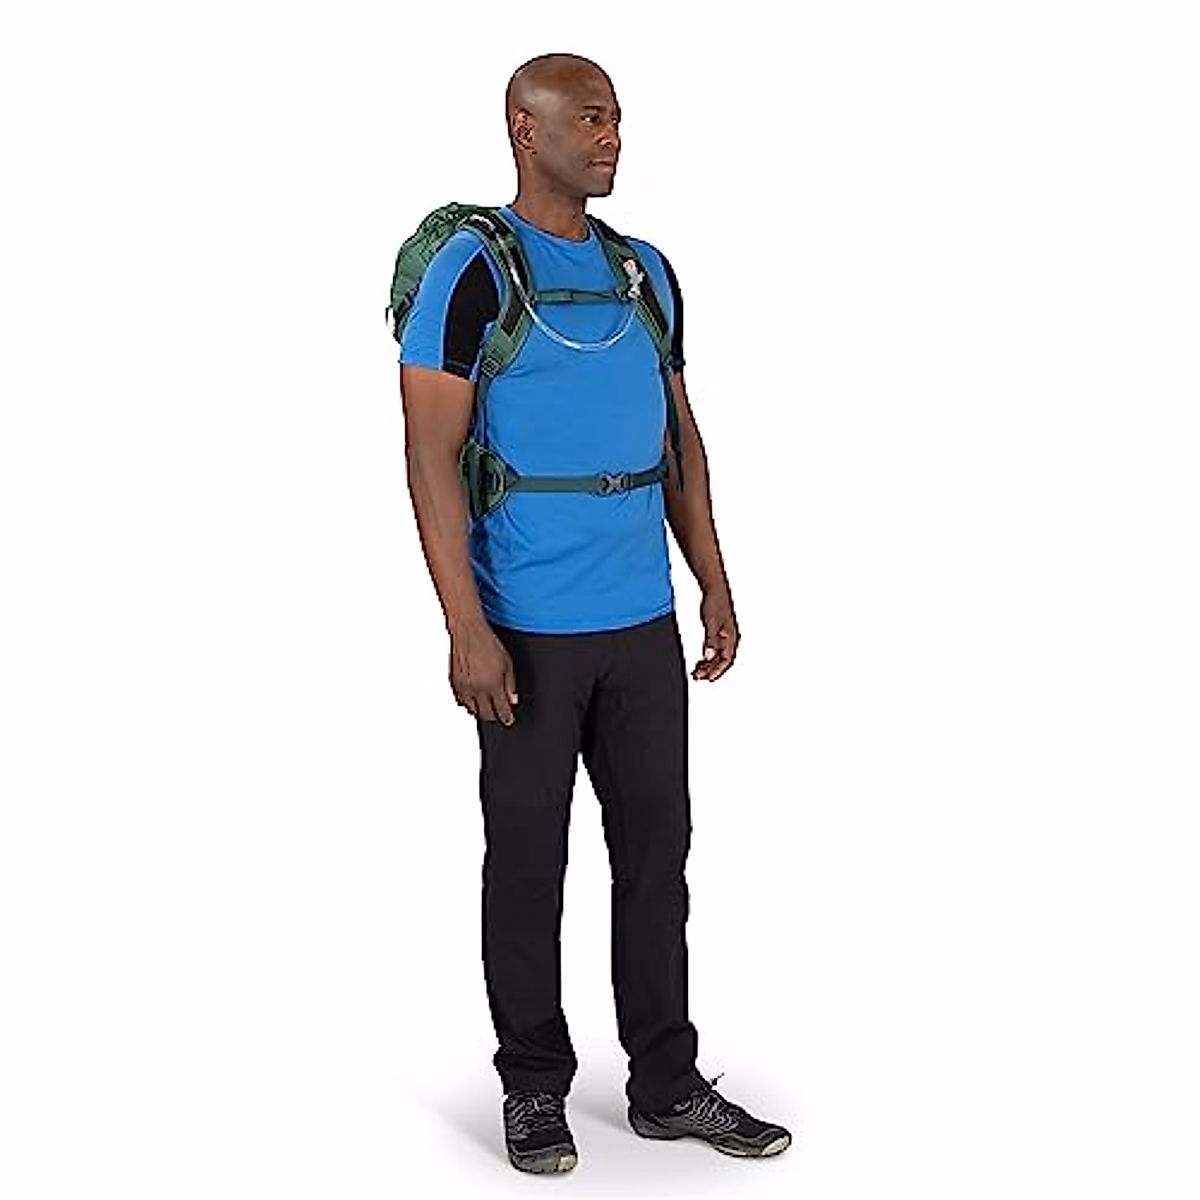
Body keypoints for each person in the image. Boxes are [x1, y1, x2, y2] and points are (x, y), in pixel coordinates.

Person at [397, 52, 792, 1175]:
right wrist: (465, 627)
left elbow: (680, 440)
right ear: (527, 131)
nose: (612, 137)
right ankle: (533, 1088)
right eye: (589, 119)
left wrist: (712, 578)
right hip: (525, 625)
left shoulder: (644, 270)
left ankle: (666, 1083)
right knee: (529, 865)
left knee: (658, 860)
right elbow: (428, 459)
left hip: (640, 624)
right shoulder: (471, 273)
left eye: (617, 118)